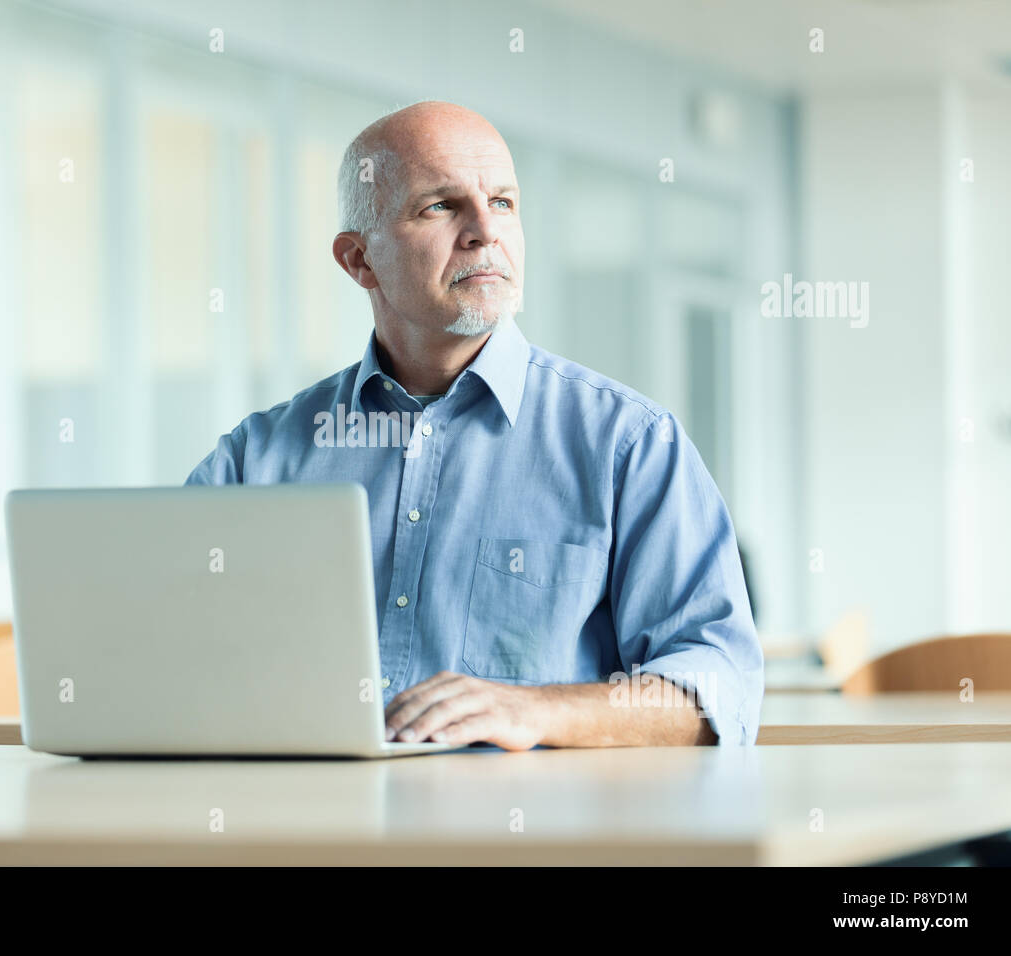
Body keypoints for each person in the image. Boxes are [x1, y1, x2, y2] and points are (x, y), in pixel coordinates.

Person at [186, 100, 763, 748]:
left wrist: (538, 711)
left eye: (504, 203)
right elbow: (166, 656)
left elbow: (720, 680)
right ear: (359, 261)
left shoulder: (630, 445)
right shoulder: (255, 463)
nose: (485, 231)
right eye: (440, 206)